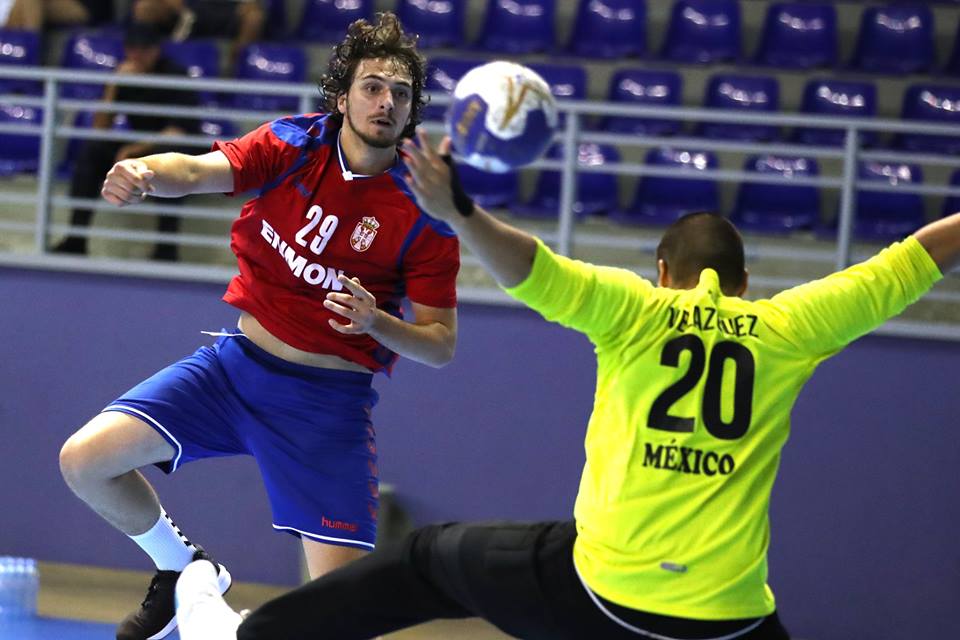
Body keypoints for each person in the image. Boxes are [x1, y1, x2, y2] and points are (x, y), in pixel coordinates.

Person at [174, 128, 959, 640]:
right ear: (745, 283)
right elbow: (911, 260)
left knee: (430, 563)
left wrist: (461, 211)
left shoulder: (636, 310)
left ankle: (248, 637)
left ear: (662, 272)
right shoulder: (793, 326)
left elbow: (533, 271)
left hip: (601, 591)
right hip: (729, 618)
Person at [58, 12, 459, 640]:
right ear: (342, 96)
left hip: (325, 408)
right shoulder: (294, 144)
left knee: (338, 618)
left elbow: (440, 345)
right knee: (85, 461)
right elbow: (198, 170)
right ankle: (181, 572)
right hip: (232, 370)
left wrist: (377, 321)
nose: (386, 102)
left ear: (412, 110)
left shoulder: (424, 212)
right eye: (373, 86)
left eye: (401, 93)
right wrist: (143, 174)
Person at [51, 22, 198, 261]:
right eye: (132, 47)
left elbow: (178, 132)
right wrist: (113, 85)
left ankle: (166, 248)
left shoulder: (175, 75)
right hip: (139, 148)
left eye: (144, 48)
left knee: (172, 161)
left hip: (177, 148)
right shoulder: (124, 74)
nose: (137, 54)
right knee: (93, 151)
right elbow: (100, 127)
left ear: (156, 50)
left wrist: (133, 149)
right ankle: (76, 239)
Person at [131, 0, 265, 69]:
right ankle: (139, 66)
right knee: (145, 7)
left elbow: (253, 5)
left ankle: (236, 70)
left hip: (231, 9)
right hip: (191, 7)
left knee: (254, 17)